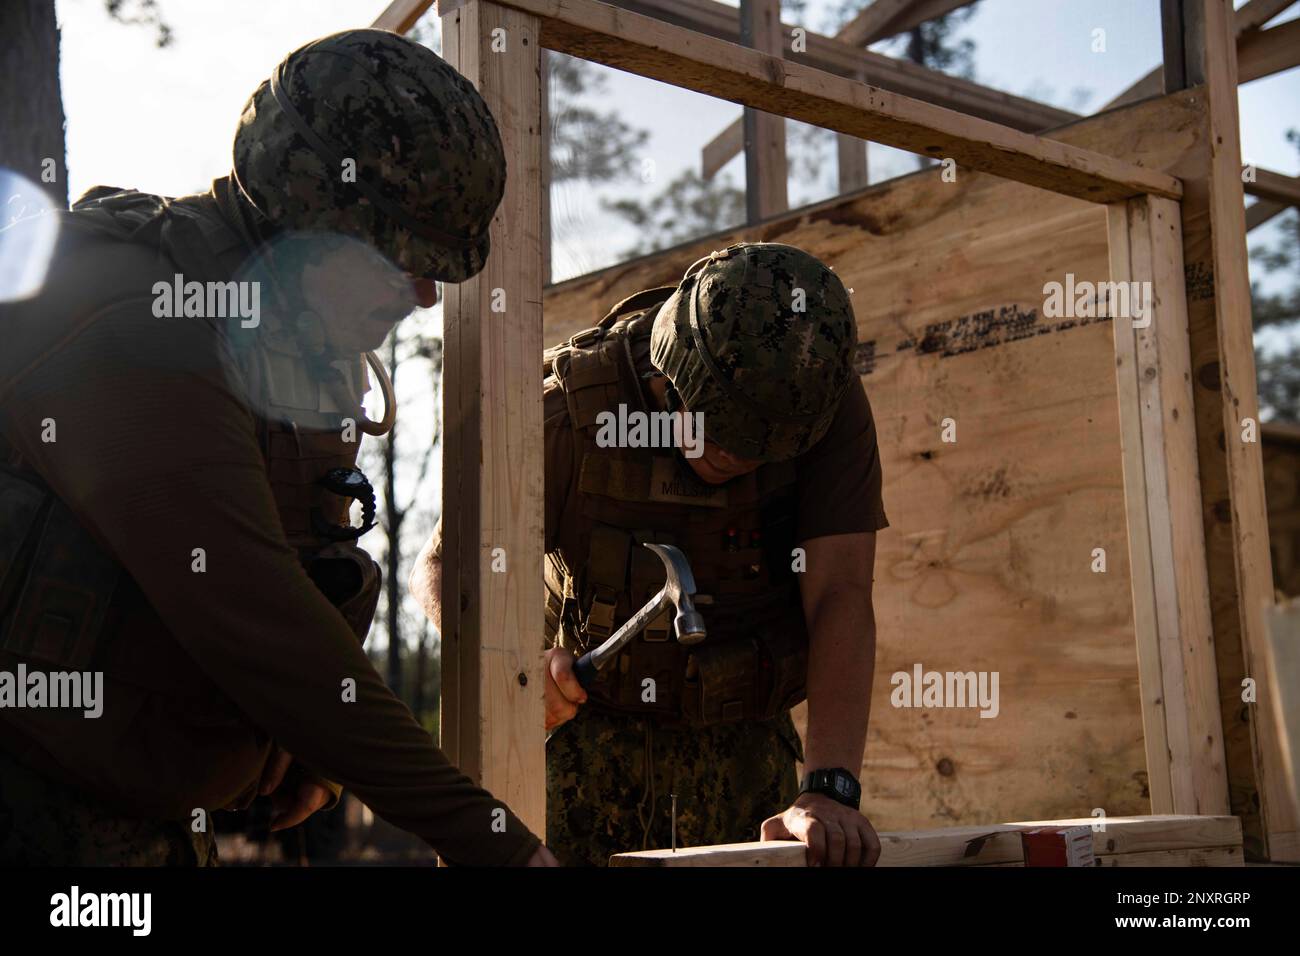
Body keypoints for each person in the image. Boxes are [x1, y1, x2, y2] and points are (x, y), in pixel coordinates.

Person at [0, 29, 553, 867]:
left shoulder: (290, 340)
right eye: (399, 256)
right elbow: (260, 623)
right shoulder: (141, 323)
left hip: (137, 821)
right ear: (307, 219)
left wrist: (308, 757)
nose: (425, 295)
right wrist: (499, 847)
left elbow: (311, 572)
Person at [412, 242, 886, 866]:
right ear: (673, 374)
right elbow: (441, 568)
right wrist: (513, 666)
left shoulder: (815, 402)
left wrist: (828, 790)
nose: (738, 456)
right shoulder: (567, 413)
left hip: (747, 742)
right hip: (583, 740)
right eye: (718, 430)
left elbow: (839, 592)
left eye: (761, 447)